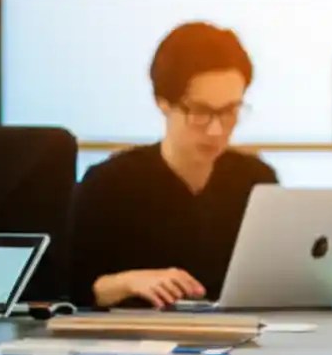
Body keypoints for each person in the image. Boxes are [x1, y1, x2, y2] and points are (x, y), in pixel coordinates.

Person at [72, 22, 277, 308]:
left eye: (230, 111)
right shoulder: (110, 183)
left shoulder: (255, 180)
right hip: (136, 332)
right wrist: (127, 282)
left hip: (236, 331)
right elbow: (69, 287)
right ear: (163, 103)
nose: (216, 130)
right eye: (200, 111)